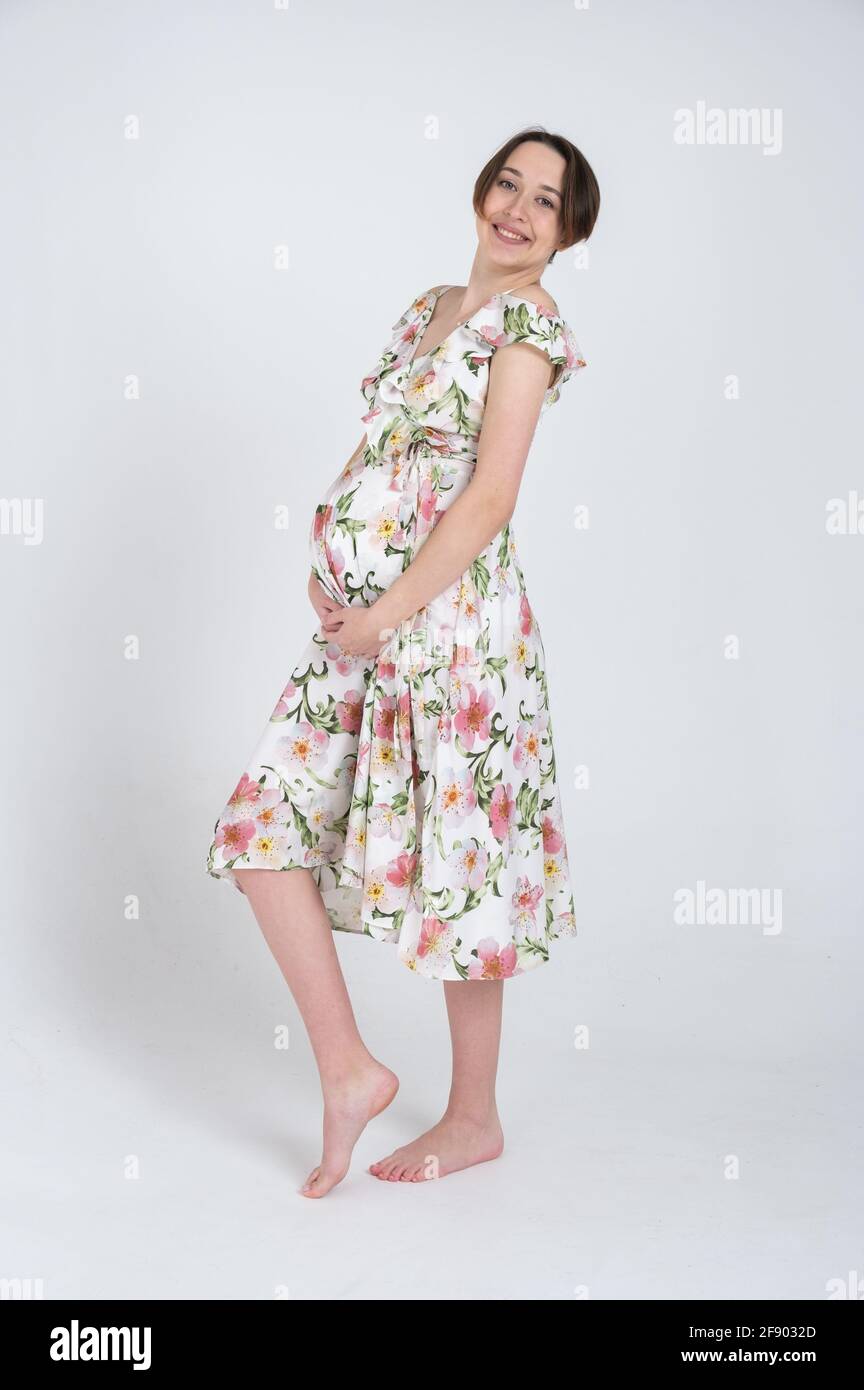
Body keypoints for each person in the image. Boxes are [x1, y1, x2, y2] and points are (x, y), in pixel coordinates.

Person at [206, 126, 601, 1197]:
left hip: (450, 627)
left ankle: (473, 1115)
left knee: (459, 864)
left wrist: (389, 608)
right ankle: (348, 1070)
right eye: (506, 184)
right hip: (363, 622)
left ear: (567, 233)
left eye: (546, 201)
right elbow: (378, 446)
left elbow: (489, 495)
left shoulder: (528, 322)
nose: (517, 209)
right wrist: (328, 554)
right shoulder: (428, 308)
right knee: (258, 831)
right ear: (480, 193)